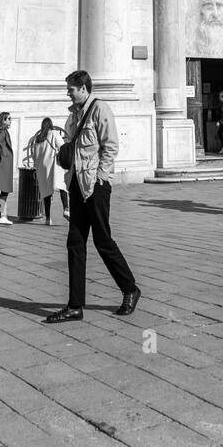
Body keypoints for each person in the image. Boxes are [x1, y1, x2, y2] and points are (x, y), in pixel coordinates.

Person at [46, 70, 140, 324]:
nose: (68, 92)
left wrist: (101, 175)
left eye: (71, 89)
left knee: (102, 241)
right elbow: (71, 143)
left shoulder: (100, 109)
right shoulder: (73, 114)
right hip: (76, 183)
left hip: (95, 185)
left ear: (84, 88)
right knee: (74, 243)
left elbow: (110, 146)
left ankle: (130, 289)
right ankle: (75, 306)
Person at [29, 118, 68, 225]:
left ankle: (48, 218)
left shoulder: (38, 138)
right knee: (62, 186)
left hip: (43, 167)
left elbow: (35, 155)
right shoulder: (54, 133)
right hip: (54, 165)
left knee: (46, 192)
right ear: (51, 125)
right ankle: (66, 208)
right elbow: (62, 146)